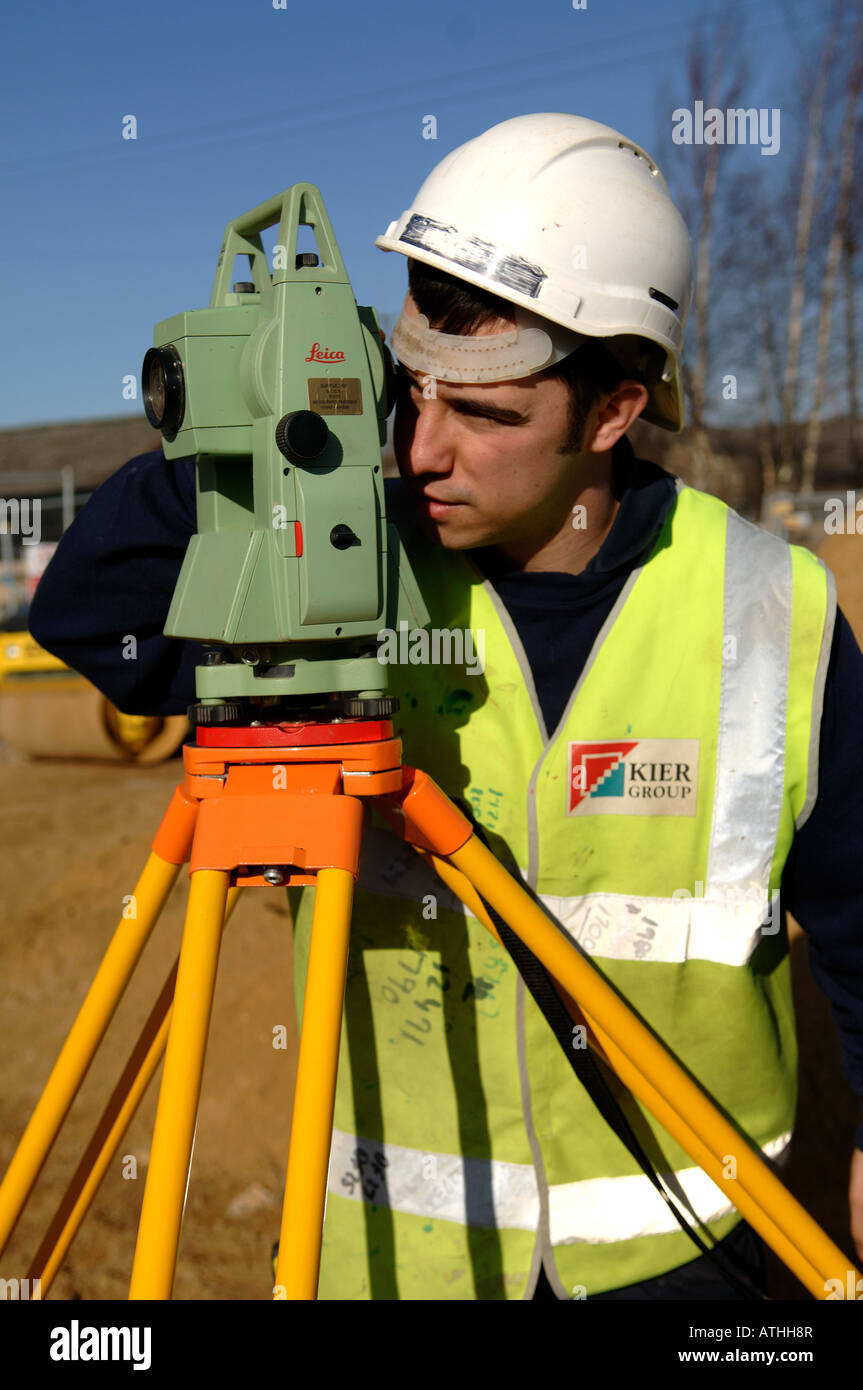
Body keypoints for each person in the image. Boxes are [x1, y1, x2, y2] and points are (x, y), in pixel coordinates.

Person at [29, 113, 863, 1301]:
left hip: (688, 1252)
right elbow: (89, 609)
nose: (421, 450)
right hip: (396, 1260)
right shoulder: (335, 574)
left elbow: (858, 909)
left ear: (614, 411)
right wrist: (266, 418)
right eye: (407, 394)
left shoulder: (763, 605)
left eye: (485, 413)